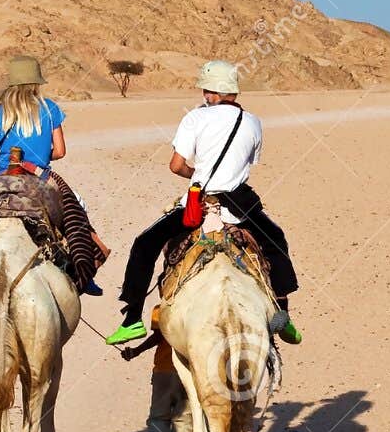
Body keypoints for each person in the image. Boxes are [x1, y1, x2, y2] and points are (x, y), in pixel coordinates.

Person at [107, 60, 301, 345]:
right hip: (239, 204)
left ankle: (132, 318)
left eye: (205, 90)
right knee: (276, 242)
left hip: (198, 203)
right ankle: (283, 315)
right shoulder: (253, 121)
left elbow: (176, 166)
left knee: (144, 244)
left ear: (212, 92)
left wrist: (195, 175)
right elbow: (248, 163)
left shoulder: (195, 118)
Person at [0, 55, 109, 291]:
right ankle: (86, 269)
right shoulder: (50, 108)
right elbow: (61, 151)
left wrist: (5, 159)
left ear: (12, 83)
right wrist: (40, 158)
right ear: (36, 83)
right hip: (40, 177)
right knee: (78, 208)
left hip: (3, 175)